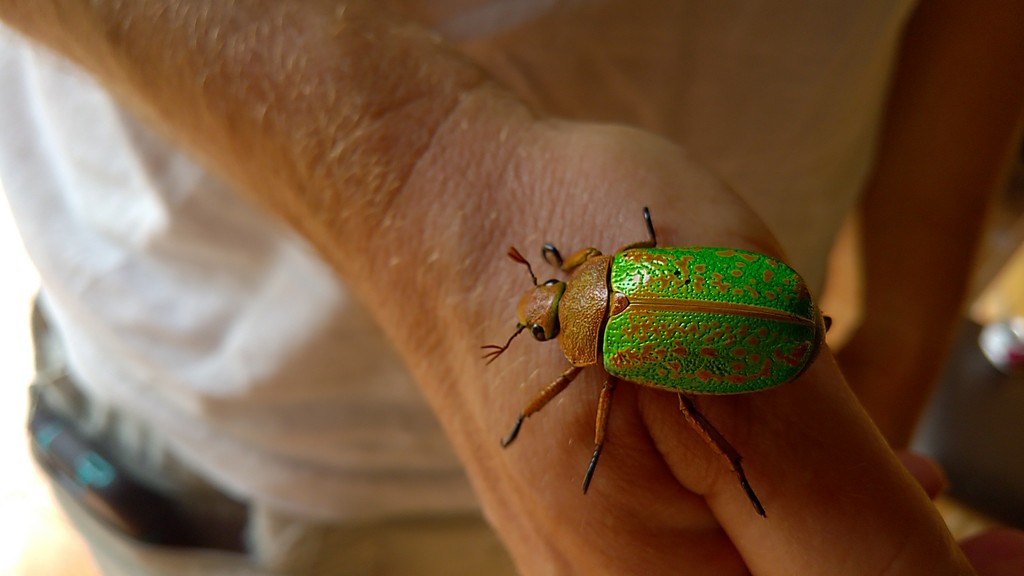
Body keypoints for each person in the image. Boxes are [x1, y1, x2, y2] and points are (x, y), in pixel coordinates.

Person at [1, 1, 1023, 574]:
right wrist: (421, 179)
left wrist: (903, 330)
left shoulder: (601, 350)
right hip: (223, 448)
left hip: (740, 408)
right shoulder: (622, 276)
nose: (537, 309)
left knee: (706, 418)